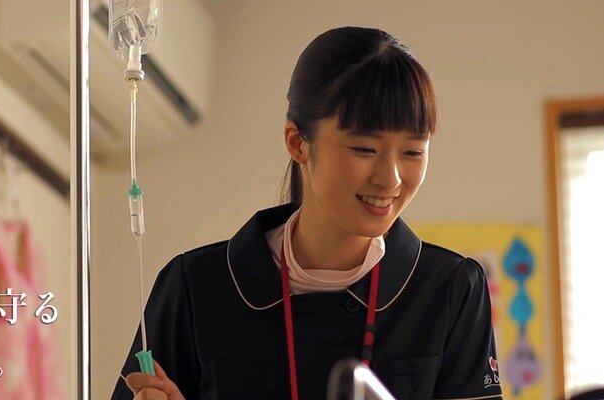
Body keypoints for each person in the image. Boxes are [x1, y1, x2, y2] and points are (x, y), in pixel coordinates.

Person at [111, 27, 503, 400]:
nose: (390, 178)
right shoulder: (197, 286)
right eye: (364, 149)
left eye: (413, 152)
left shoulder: (450, 289)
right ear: (298, 143)